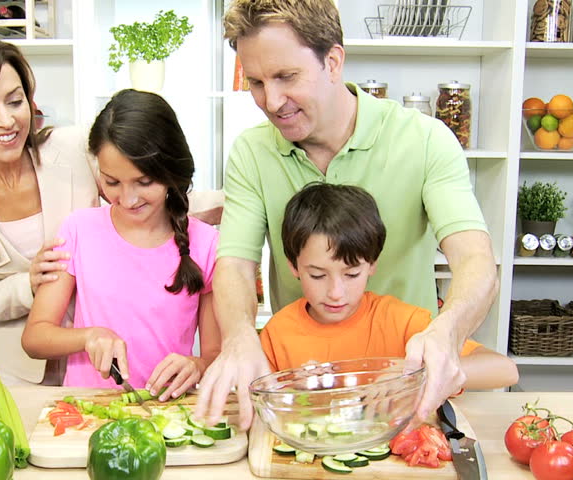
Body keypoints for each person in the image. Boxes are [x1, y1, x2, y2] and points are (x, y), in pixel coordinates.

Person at [196, 0, 499, 429]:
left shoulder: (426, 139)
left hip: (408, 395)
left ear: (333, 61)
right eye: (257, 82)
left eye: (286, 77)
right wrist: (240, 337)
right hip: (310, 399)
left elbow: (476, 260)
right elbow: (235, 265)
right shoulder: (252, 151)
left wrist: (446, 334)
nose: (271, 100)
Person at [0, 34, 222, 385]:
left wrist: (237, 207)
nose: (7, 120)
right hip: (25, 365)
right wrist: (28, 284)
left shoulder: (71, 147)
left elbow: (141, 178)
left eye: (15, 101)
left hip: (116, 369)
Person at [21, 89, 220, 398]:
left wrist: (197, 365)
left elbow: (215, 353)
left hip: (165, 412)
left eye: (144, 182)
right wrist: (89, 336)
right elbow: (34, 338)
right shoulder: (79, 230)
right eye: (112, 182)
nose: (127, 199)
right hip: (88, 413)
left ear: (171, 172)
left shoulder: (206, 244)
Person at [260, 183, 518, 395]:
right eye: (317, 275)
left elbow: (504, 369)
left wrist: (411, 374)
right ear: (294, 266)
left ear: (372, 265)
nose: (336, 292)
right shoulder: (279, 333)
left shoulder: (400, 321)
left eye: (351, 274)